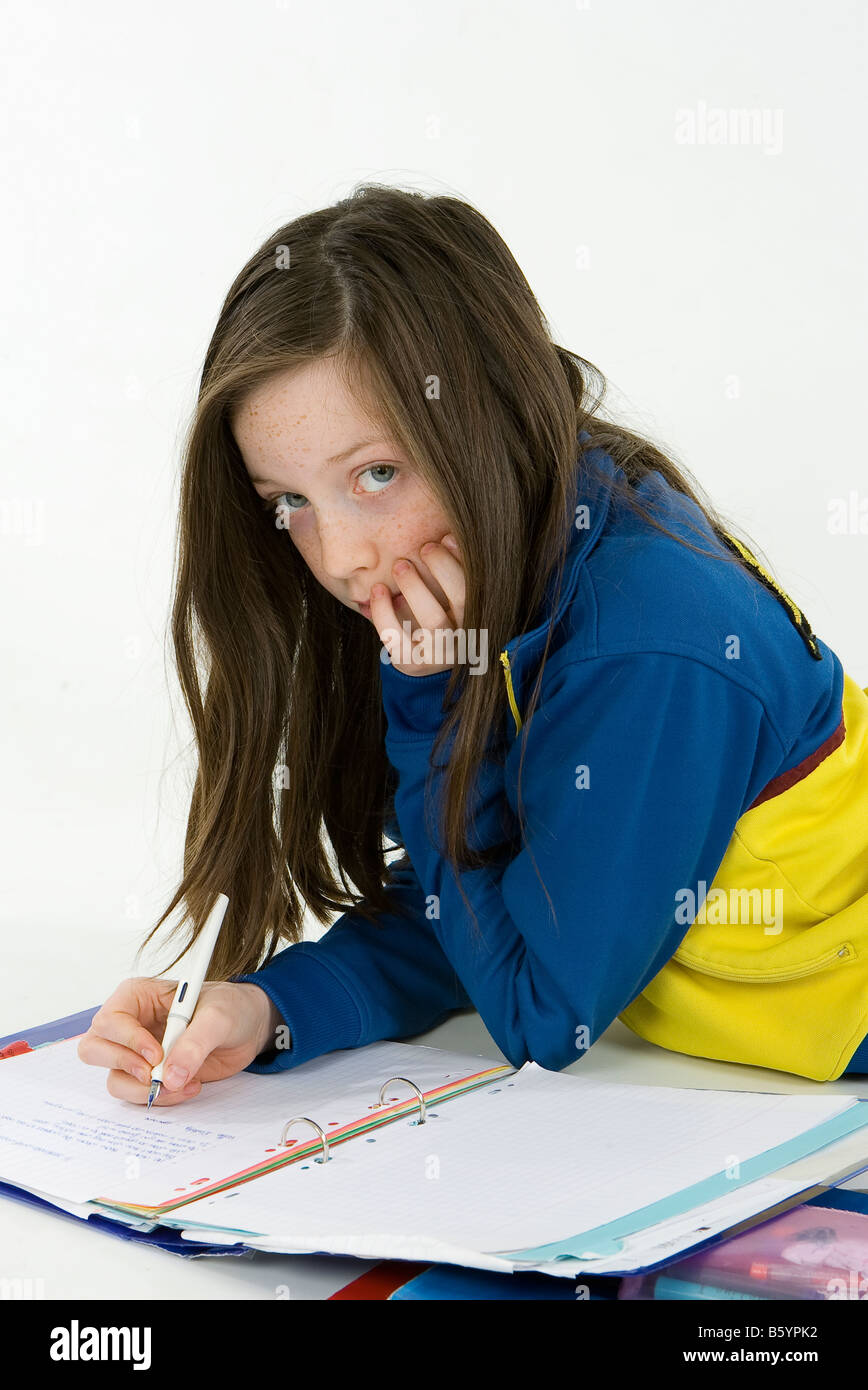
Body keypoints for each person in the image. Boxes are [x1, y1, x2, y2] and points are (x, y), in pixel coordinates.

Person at [78, 184, 868, 1107]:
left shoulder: (644, 645)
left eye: (375, 474)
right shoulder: (531, 550)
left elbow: (542, 1013)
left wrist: (429, 706)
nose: (339, 556)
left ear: (486, 415)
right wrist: (268, 1007)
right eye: (288, 503)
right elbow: (503, 896)